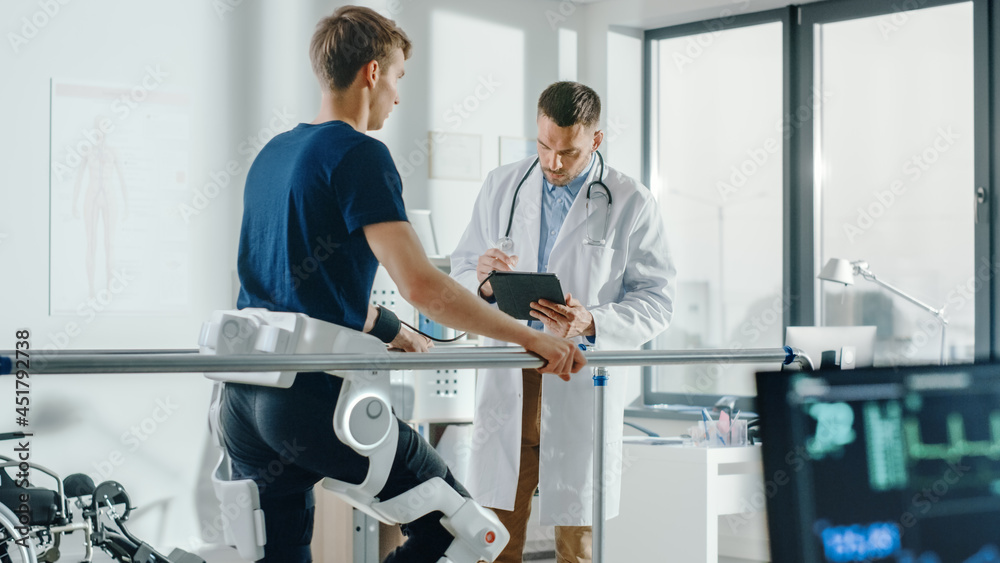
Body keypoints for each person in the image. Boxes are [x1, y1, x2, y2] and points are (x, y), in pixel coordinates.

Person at [219, 8, 586, 562]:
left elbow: (296, 287)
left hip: (245, 402)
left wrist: (390, 329)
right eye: (398, 78)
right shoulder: (360, 154)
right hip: (311, 401)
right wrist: (530, 337)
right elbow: (424, 286)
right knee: (467, 531)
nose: (396, 95)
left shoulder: (274, 154)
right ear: (372, 73)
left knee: (280, 552)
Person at [450, 81, 676, 563]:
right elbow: (462, 267)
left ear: (596, 140)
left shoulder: (631, 201)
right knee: (492, 539)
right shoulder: (502, 184)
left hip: (577, 378)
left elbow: (658, 300)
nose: (553, 162)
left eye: (568, 152)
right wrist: (484, 280)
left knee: (578, 548)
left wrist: (591, 319)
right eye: (544, 146)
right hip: (510, 377)